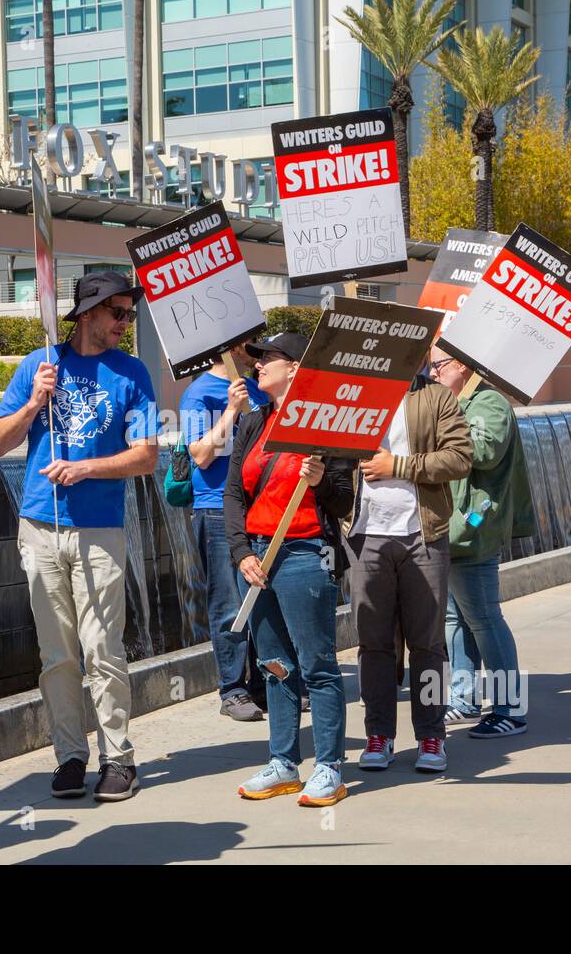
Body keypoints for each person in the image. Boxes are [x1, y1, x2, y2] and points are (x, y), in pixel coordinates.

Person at [0, 271, 159, 802]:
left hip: (99, 530)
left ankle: (118, 757)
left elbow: (147, 455)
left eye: (130, 314)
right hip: (40, 527)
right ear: (88, 313)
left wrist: (86, 469)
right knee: (57, 655)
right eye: (119, 314)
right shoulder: (37, 366)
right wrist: (35, 402)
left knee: (102, 647)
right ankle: (69, 755)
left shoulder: (132, 372)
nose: (125, 323)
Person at [224, 332, 355, 806]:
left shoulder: (327, 427)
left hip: (304, 554)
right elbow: (234, 493)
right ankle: (283, 763)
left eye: (269, 359)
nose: (257, 366)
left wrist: (320, 483)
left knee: (317, 665)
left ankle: (329, 768)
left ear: (296, 369)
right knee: (274, 665)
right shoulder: (255, 421)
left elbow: (343, 500)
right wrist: (241, 552)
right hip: (258, 556)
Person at [352, 360, 473, 773]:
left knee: (429, 644)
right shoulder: (354, 395)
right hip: (368, 537)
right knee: (373, 645)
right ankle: (379, 734)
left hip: (423, 535)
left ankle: (431, 735)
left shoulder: (435, 397)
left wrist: (398, 467)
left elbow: (460, 459)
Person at [429, 347, 535, 737]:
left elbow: (486, 451)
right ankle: (463, 697)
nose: (433, 372)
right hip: (456, 526)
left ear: (461, 366)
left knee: (485, 617)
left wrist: (440, 430)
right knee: (456, 618)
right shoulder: (461, 401)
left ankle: (510, 709)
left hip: (474, 525)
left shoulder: (488, 401)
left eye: (439, 365)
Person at [180, 338, 269, 721]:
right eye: (253, 347)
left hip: (257, 506)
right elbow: (199, 454)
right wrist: (231, 410)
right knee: (227, 603)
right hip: (215, 508)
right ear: (232, 349)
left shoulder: (258, 390)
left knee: (262, 598)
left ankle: (265, 683)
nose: (259, 355)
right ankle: (232, 689)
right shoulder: (197, 393)